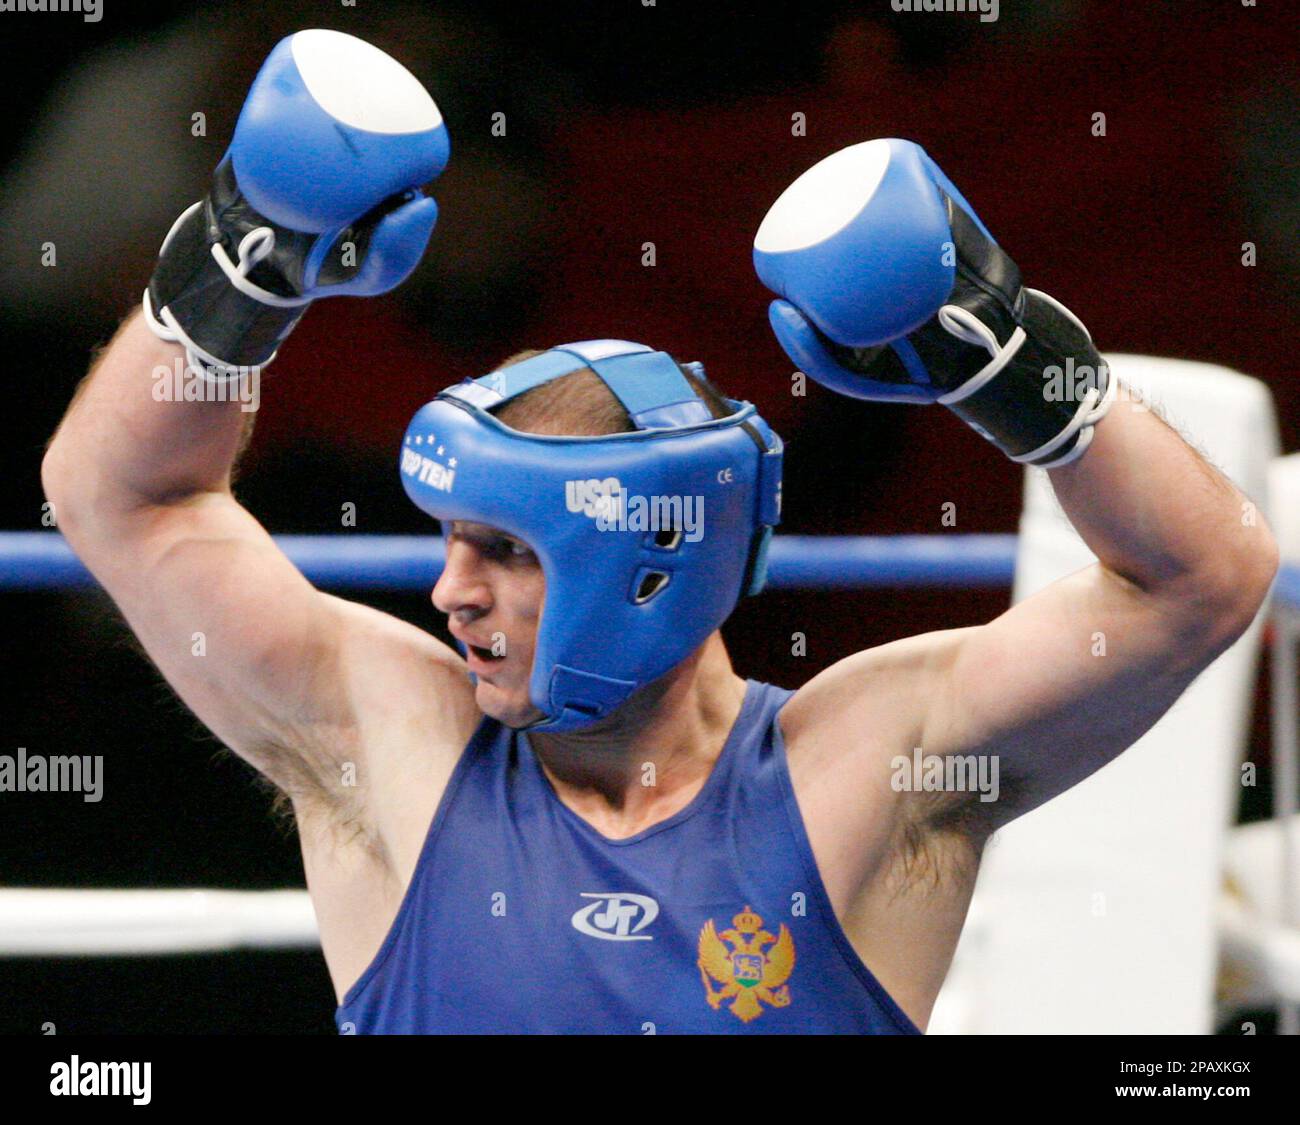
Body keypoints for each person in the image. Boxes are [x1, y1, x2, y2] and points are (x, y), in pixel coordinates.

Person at [42, 31, 1278, 1033]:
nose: (448, 593)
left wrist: (1004, 357)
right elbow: (123, 502)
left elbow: (1200, 580)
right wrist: (237, 267)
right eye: (453, 539)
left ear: (653, 562)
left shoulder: (868, 765)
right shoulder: (392, 736)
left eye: (508, 551)